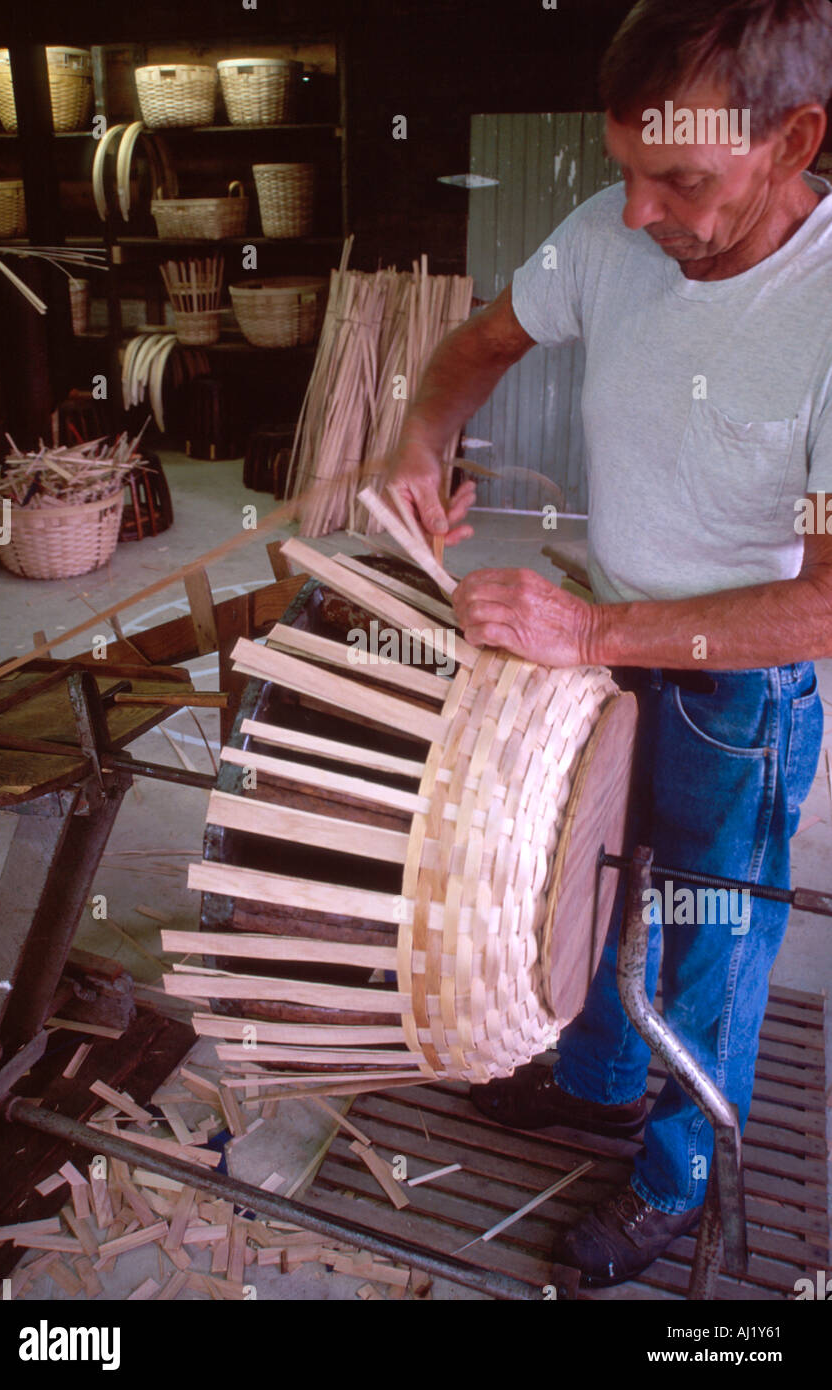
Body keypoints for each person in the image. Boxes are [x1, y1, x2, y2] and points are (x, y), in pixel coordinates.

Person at [384, 0, 832, 1287]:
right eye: (623, 171)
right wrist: (424, 439)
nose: (635, 214)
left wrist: (590, 625)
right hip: (611, 643)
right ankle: (594, 1084)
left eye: (678, 180)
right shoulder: (614, 233)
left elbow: (823, 595)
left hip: (735, 690)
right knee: (584, 875)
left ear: (794, 138)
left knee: (709, 925)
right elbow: (479, 343)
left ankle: (684, 1175)